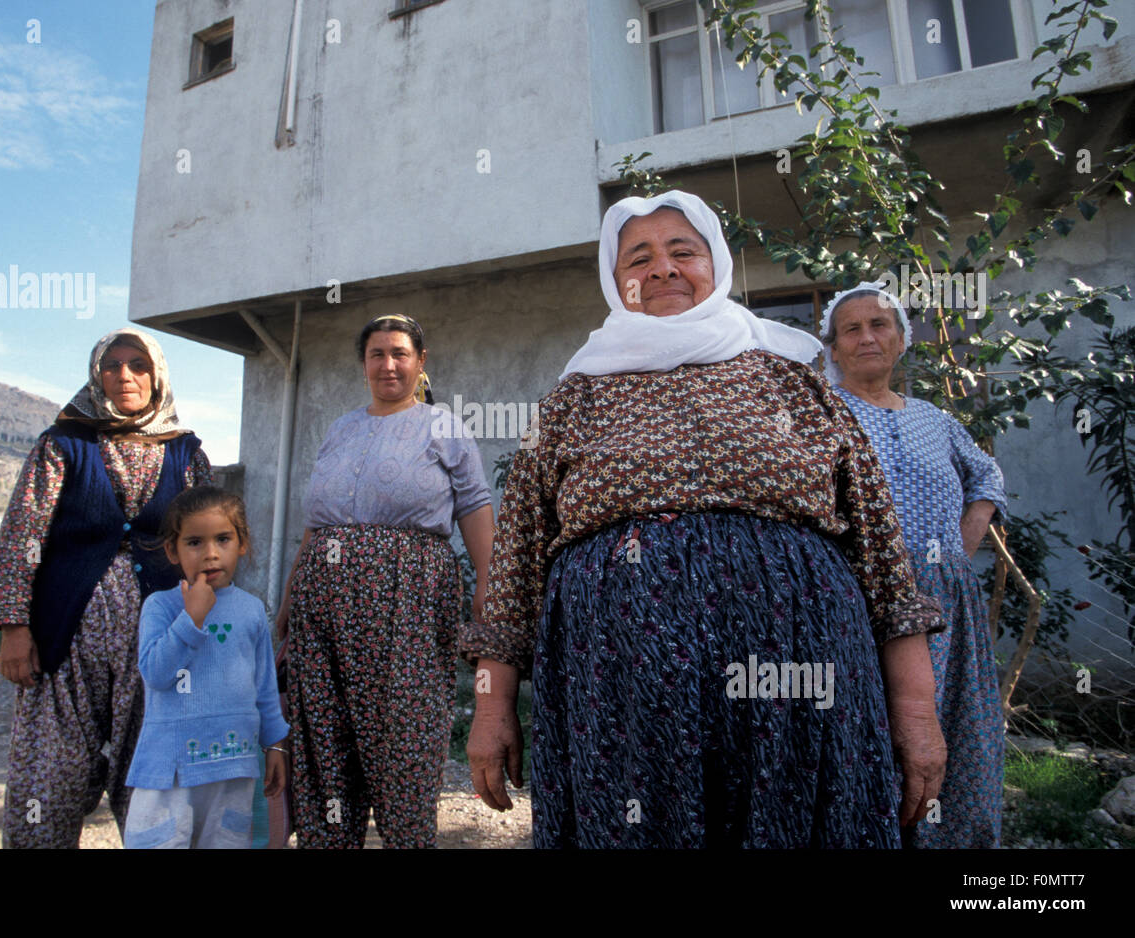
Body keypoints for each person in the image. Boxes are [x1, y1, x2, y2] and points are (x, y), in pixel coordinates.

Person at [463, 190, 948, 848]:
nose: (663, 268)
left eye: (682, 251)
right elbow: (515, 562)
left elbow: (882, 555)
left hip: (800, 688)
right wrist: (491, 707)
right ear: (616, 280)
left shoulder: (791, 378)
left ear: (715, 263)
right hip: (625, 698)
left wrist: (916, 711)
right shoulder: (573, 397)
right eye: (639, 257)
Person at [0, 327, 213, 848]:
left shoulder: (186, 454)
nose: (124, 376)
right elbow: (21, 537)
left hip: (160, 644)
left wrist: (205, 625)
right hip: (65, 643)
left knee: (152, 780)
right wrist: (13, 627)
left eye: (138, 365)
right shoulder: (62, 445)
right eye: (112, 365)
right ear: (96, 374)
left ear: (157, 376)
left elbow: (208, 544)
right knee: (49, 779)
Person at [276, 313, 495, 848]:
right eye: (377, 354)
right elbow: (316, 525)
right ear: (364, 364)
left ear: (421, 363)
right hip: (320, 612)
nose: (388, 364)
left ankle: (406, 838)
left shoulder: (442, 424)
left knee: (404, 735)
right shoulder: (341, 428)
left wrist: (489, 586)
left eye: (400, 353)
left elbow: (474, 504)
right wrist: (284, 610)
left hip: (408, 605)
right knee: (325, 741)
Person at [822, 282, 1008, 848]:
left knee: (958, 726)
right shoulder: (822, 415)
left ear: (902, 340)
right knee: (882, 735)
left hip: (948, 600)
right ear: (832, 349)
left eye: (880, 326)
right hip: (866, 602)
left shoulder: (935, 420)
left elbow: (987, 477)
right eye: (850, 330)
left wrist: (959, 547)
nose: (867, 338)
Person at [123, 486, 289, 848]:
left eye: (224, 539)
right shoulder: (161, 607)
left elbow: (263, 687)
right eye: (195, 542)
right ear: (173, 550)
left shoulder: (251, 610)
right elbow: (156, 672)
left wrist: (275, 746)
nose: (211, 554)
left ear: (242, 544)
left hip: (233, 767)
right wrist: (192, 616)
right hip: (172, 770)